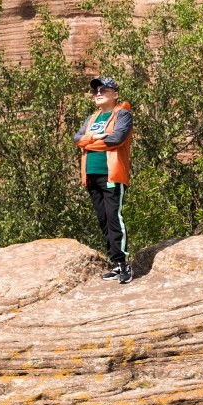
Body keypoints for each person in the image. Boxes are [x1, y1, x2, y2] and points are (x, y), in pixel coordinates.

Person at [74, 75, 134, 284]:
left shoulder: (123, 114)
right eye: (95, 91)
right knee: (103, 220)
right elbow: (77, 139)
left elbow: (117, 139)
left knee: (113, 218)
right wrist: (95, 138)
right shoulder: (92, 118)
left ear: (115, 94)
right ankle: (115, 265)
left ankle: (124, 263)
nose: (98, 94)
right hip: (91, 175)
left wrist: (88, 142)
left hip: (112, 174)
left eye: (103, 90)